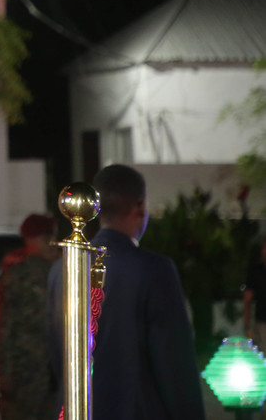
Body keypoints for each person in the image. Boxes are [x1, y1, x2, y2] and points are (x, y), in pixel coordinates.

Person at [47, 164, 204, 419]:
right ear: (140, 206)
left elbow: (58, 355)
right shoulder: (154, 269)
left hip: (78, 408)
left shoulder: (59, 269)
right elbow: (174, 364)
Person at [0, 213, 58, 420]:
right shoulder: (19, 271)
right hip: (28, 368)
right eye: (47, 236)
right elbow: (5, 324)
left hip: (50, 367)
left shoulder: (61, 269)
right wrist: (6, 371)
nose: (52, 242)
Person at [242, 240, 266, 347]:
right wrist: (247, 327)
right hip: (261, 323)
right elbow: (247, 301)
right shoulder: (256, 272)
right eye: (264, 248)